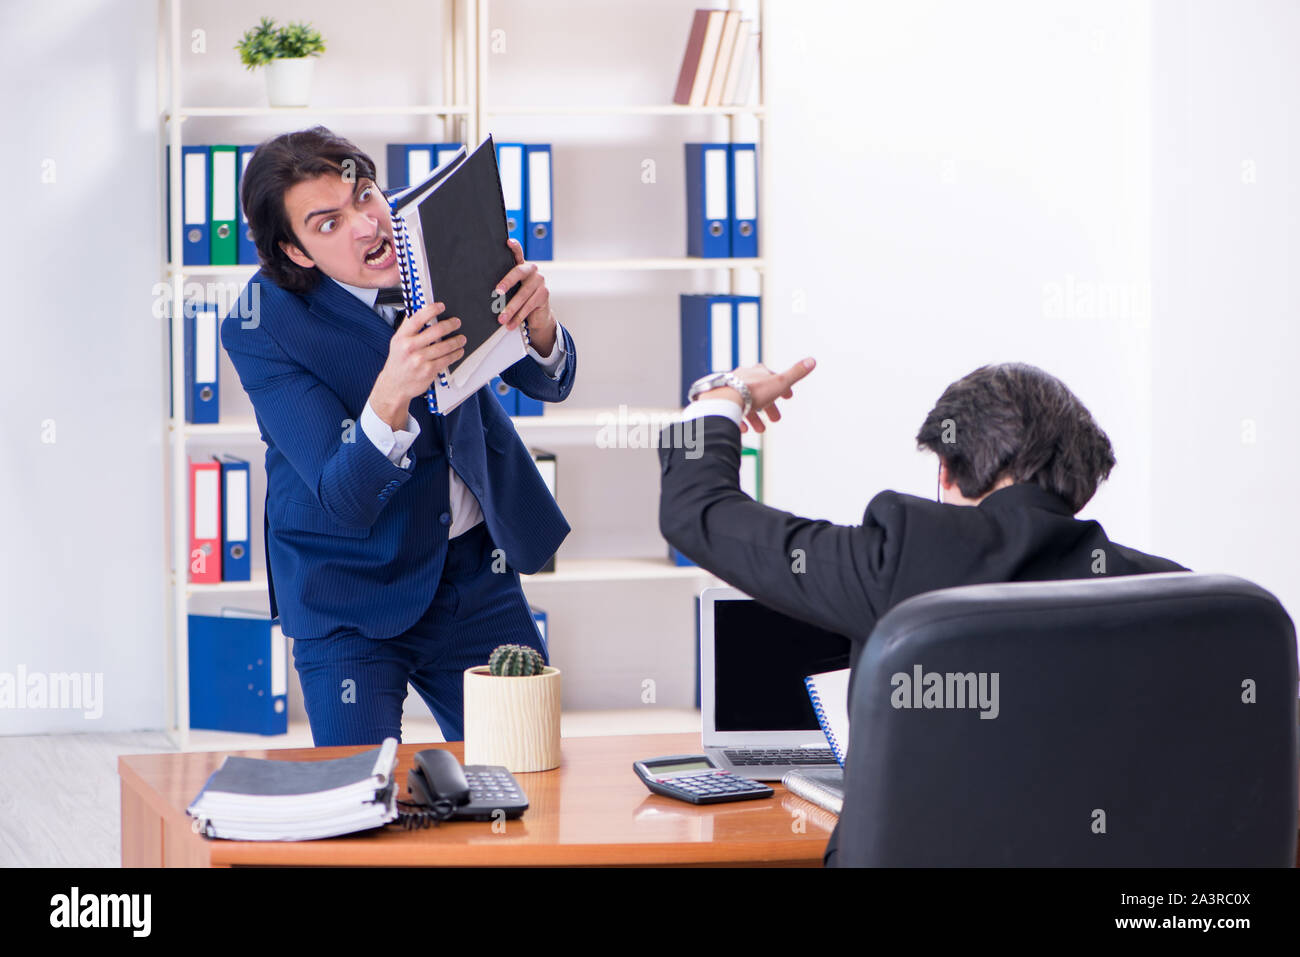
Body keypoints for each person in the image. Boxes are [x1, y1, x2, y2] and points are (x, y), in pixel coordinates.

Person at [659, 359, 1186, 866]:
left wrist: (725, 395)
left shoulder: (903, 557)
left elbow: (699, 511)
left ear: (949, 471)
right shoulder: (1173, 595)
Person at [220, 126, 576, 746]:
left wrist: (539, 327)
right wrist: (393, 389)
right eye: (327, 223)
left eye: (363, 196)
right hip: (348, 590)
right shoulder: (262, 326)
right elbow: (345, 495)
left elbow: (545, 381)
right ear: (297, 251)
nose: (366, 226)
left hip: (472, 571)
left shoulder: (429, 232)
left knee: (527, 780)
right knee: (360, 799)